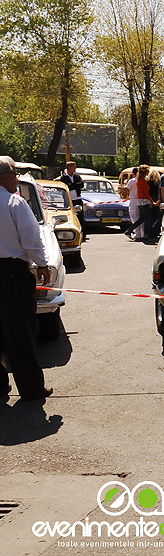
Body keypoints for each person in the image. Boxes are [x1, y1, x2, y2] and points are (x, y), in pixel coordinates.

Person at [0, 156, 54, 401]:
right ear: (4, 177)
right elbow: (31, 238)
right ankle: (31, 388)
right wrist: (42, 264)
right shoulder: (14, 202)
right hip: (11, 275)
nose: (17, 179)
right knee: (20, 331)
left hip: (10, 272)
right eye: (14, 174)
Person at [124, 165, 155, 241]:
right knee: (147, 219)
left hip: (139, 201)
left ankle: (129, 230)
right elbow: (146, 193)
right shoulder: (143, 181)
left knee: (141, 219)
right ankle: (146, 235)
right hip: (144, 201)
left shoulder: (138, 180)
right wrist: (151, 201)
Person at [59, 161, 86, 236]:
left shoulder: (76, 176)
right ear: (69, 168)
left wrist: (72, 185)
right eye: (74, 166)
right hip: (69, 200)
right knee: (70, 216)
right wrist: (74, 185)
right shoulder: (64, 177)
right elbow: (66, 187)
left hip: (77, 199)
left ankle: (83, 234)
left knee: (80, 217)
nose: (75, 168)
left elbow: (81, 184)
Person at [124, 168, 142, 240]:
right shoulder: (140, 180)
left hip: (133, 200)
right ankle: (141, 233)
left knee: (134, 217)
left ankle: (137, 234)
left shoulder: (132, 181)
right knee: (140, 217)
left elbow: (126, 189)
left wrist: (125, 183)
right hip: (140, 200)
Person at [145, 169, 162, 240]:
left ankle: (149, 232)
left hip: (149, 199)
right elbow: (159, 192)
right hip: (156, 199)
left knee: (150, 218)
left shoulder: (147, 182)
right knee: (157, 217)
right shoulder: (158, 182)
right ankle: (154, 232)